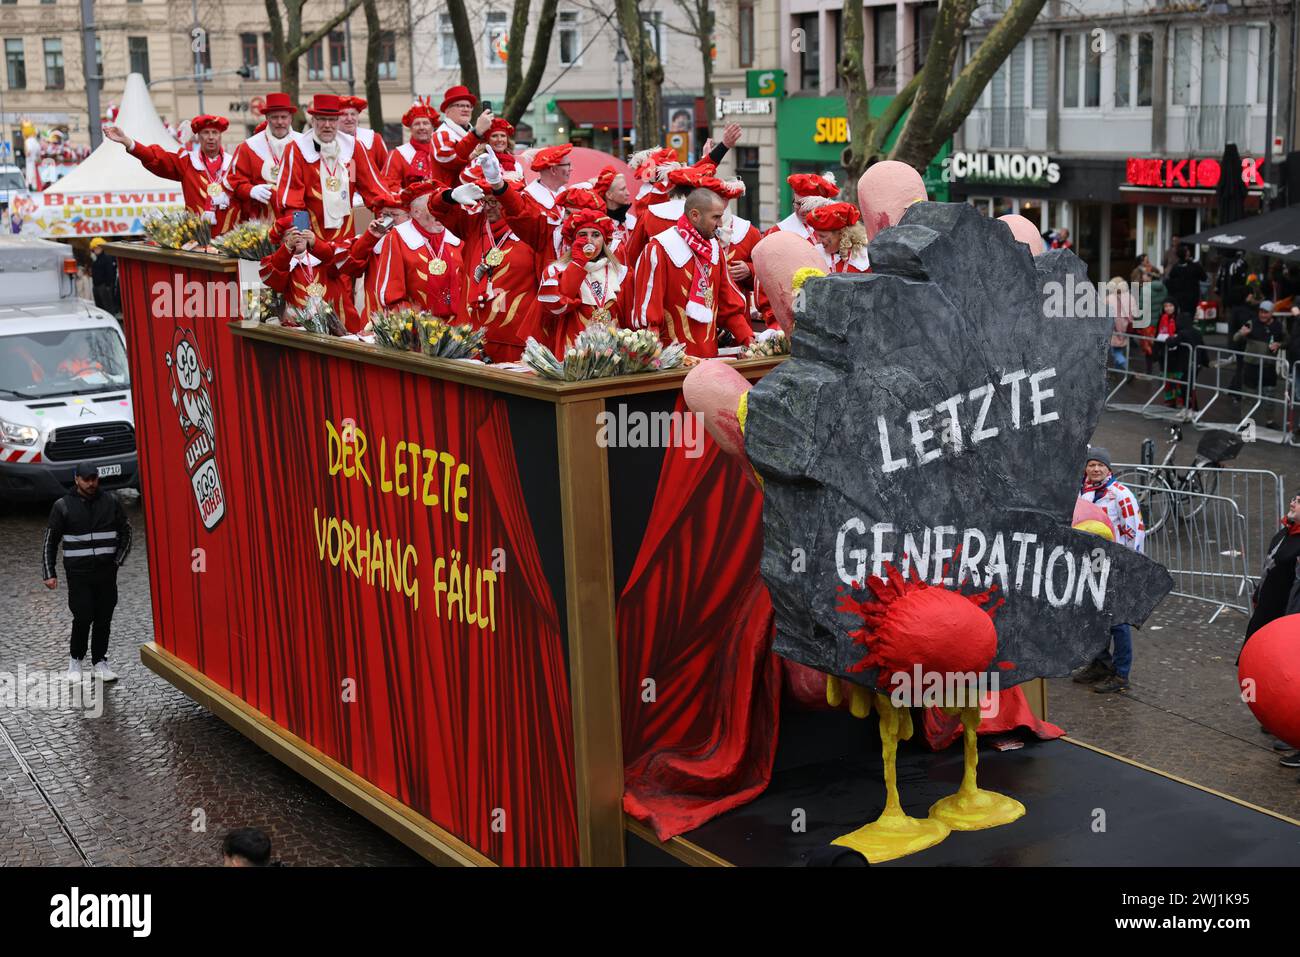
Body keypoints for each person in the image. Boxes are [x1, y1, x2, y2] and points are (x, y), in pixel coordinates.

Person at [629, 181, 755, 357]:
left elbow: (728, 303)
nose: (720, 224)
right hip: (671, 363)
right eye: (715, 217)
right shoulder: (659, 248)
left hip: (709, 360)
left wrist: (748, 339)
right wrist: (651, 357)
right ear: (695, 215)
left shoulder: (714, 248)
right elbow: (649, 314)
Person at [42, 462, 133, 683]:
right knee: (83, 616)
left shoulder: (111, 502)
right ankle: (75, 661)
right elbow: (50, 541)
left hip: (106, 572)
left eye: (94, 478)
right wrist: (48, 572)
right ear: (77, 479)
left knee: (104, 617)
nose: (91, 483)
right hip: (79, 574)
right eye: (86, 479)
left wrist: (117, 560)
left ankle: (100, 662)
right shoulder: (62, 506)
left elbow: (126, 532)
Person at [273, 94, 395, 243]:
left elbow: (373, 187)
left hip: (346, 235)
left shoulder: (353, 146)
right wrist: (302, 237)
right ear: (313, 121)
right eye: (322, 119)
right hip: (311, 235)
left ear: (337, 122)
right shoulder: (296, 149)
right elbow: (292, 200)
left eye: (332, 120)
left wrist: (390, 212)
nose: (327, 125)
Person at [1072, 447, 1144, 693]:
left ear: (1108, 469)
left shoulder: (1120, 495)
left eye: (1100, 465)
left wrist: (1131, 564)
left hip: (1116, 564)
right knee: (1092, 616)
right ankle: (1101, 663)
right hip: (1089, 563)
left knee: (1117, 621)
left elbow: (1135, 531)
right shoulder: (1082, 492)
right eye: (1091, 465)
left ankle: (1121, 674)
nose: (1095, 469)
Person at [104, 114, 240, 234]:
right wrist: (127, 141)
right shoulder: (187, 161)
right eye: (205, 132)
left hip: (230, 238)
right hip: (197, 239)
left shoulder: (234, 164)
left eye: (215, 133)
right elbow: (155, 158)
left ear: (220, 136)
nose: (211, 137)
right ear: (198, 137)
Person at [1241, 493, 1300, 765]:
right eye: (1294, 498)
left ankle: (1292, 731)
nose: (1293, 502)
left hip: (1288, 617)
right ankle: (1273, 716)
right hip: (1269, 610)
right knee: (1260, 669)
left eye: (1299, 501)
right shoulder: (1285, 532)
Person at [538, 209, 627, 353]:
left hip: (613, 353)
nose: (589, 240)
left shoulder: (620, 272)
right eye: (582, 235)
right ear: (573, 241)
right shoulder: (556, 270)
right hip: (572, 352)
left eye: (596, 235)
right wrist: (578, 263)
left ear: (604, 241)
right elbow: (558, 306)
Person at [259, 217, 362, 333]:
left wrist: (316, 243)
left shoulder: (322, 253)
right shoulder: (279, 262)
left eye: (301, 231)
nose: (297, 236)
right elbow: (274, 280)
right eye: (290, 233)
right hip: (303, 332)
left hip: (341, 327)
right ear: (282, 241)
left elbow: (340, 262)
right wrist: (287, 249)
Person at [227, 92, 297, 221]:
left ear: (290, 118)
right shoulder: (248, 147)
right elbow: (233, 180)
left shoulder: (303, 144)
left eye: (283, 117)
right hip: (262, 220)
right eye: (275, 117)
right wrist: (250, 190)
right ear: (267, 118)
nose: (280, 122)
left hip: (298, 216)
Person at [1232, 298, 1287, 427]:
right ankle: (1246, 422)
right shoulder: (1251, 323)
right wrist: (1242, 333)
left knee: (1269, 395)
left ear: (1272, 313)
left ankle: (1270, 421)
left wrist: (1279, 344)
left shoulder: (1279, 326)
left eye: (1266, 312)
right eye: (1261, 312)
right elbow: (1235, 338)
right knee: (1248, 395)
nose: (1262, 315)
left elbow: (1287, 341)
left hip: (1269, 366)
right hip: (1252, 365)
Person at [432, 85, 496, 184]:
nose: (466, 109)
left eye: (469, 106)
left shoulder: (472, 132)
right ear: (447, 111)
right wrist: (476, 133)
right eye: (460, 105)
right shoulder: (441, 133)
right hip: (449, 196)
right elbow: (449, 161)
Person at [383, 97, 440, 193]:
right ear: (411, 128)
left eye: (425, 123)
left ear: (433, 127)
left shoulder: (442, 151)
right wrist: (406, 194)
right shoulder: (398, 154)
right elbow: (389, 183)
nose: (421, 127)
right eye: (417, 124)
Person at [807, 201, 870, 273]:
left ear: (842, 234)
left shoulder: (864, 257)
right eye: (818, 235)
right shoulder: (816, 254)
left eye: (822, 236)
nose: (819, 240)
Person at [338, 95, 389, 176]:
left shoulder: (373, 139)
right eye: (344, 114)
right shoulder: (330, 140)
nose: (349, 118)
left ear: (358, 117)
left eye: (353, 114)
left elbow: (386, 171)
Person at [1165, 244, 1207, 319]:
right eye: (1187, 252)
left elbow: (1170, 281)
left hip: (1179, 298)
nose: (1189, 253)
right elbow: (1204, 277)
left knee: (1180, 316)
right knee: (1190, 316)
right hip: (1192, 297)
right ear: (1186, 254)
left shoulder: (1175, 267)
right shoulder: (1194, 266)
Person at [89, 238, 120, 315]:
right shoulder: (96, 258)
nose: (95, 250)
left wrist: (108, 285)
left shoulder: (107, 258)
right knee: (100, 307)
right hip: (97, 285)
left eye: (97, 248)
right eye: (94, 248)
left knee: (107, 307)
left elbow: (110, 272)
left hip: (104, 286)